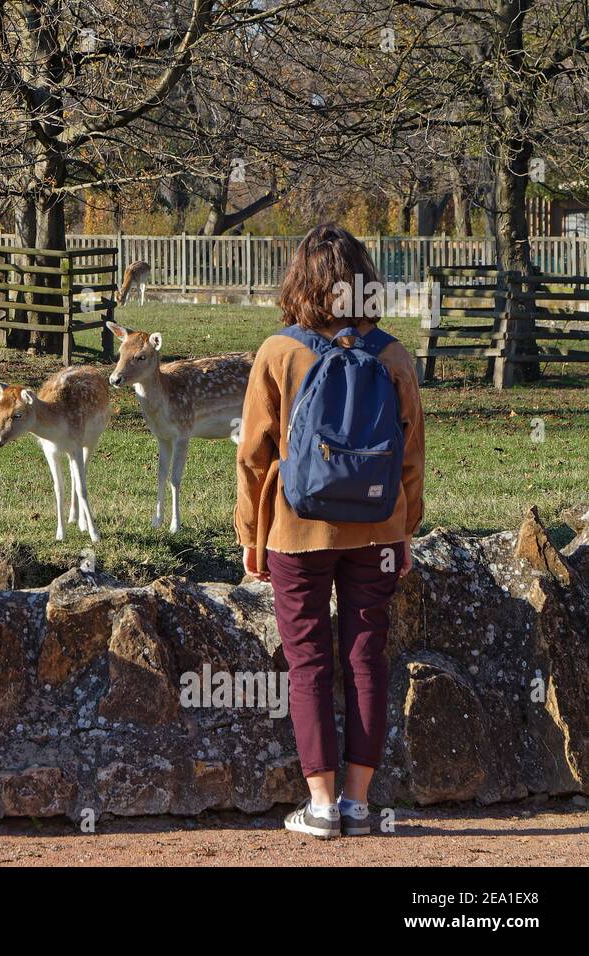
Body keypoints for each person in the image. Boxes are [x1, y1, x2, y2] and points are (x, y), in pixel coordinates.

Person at [234, 223, 426, 839]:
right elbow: (412, 455)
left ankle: (319, 806)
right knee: (367, 656)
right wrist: (406, 530)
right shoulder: (393, 356)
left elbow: (254, 456)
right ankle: (359, 804)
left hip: (296, 529)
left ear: (299, 281)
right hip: (378, 529)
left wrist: (250, 534)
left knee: (308, 660)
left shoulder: (279, 353)